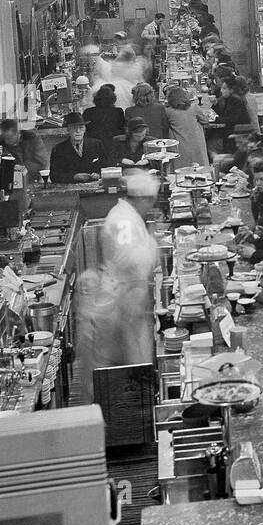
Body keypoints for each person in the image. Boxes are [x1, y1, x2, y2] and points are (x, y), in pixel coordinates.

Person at [74, 169, 161, 403]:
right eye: (150, 201)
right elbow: (129, 259)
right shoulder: (123, 220)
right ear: (141, 199)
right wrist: (152, 247)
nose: (151, 207)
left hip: (126, 300)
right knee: (114, 375)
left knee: (131, 365)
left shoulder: (127, 215)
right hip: (119, 302)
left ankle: (129, 412)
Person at [49, 111, 105, 183]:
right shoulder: (58, 149)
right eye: (74, 128)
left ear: (85, 129)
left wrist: (99, 174)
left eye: (81, 127)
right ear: (68, 130)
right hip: (70, 189)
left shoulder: (96, 144)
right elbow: (54, 176)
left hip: (95, 187)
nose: (78, 131)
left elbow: (107, 167)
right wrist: (74, 177)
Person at [165, 86, 212, 170]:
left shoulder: (168, 111)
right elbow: (205, 121)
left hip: (179, 145)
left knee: (181, 170)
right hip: (196, 143)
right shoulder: (194, 107)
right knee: (201, 169)